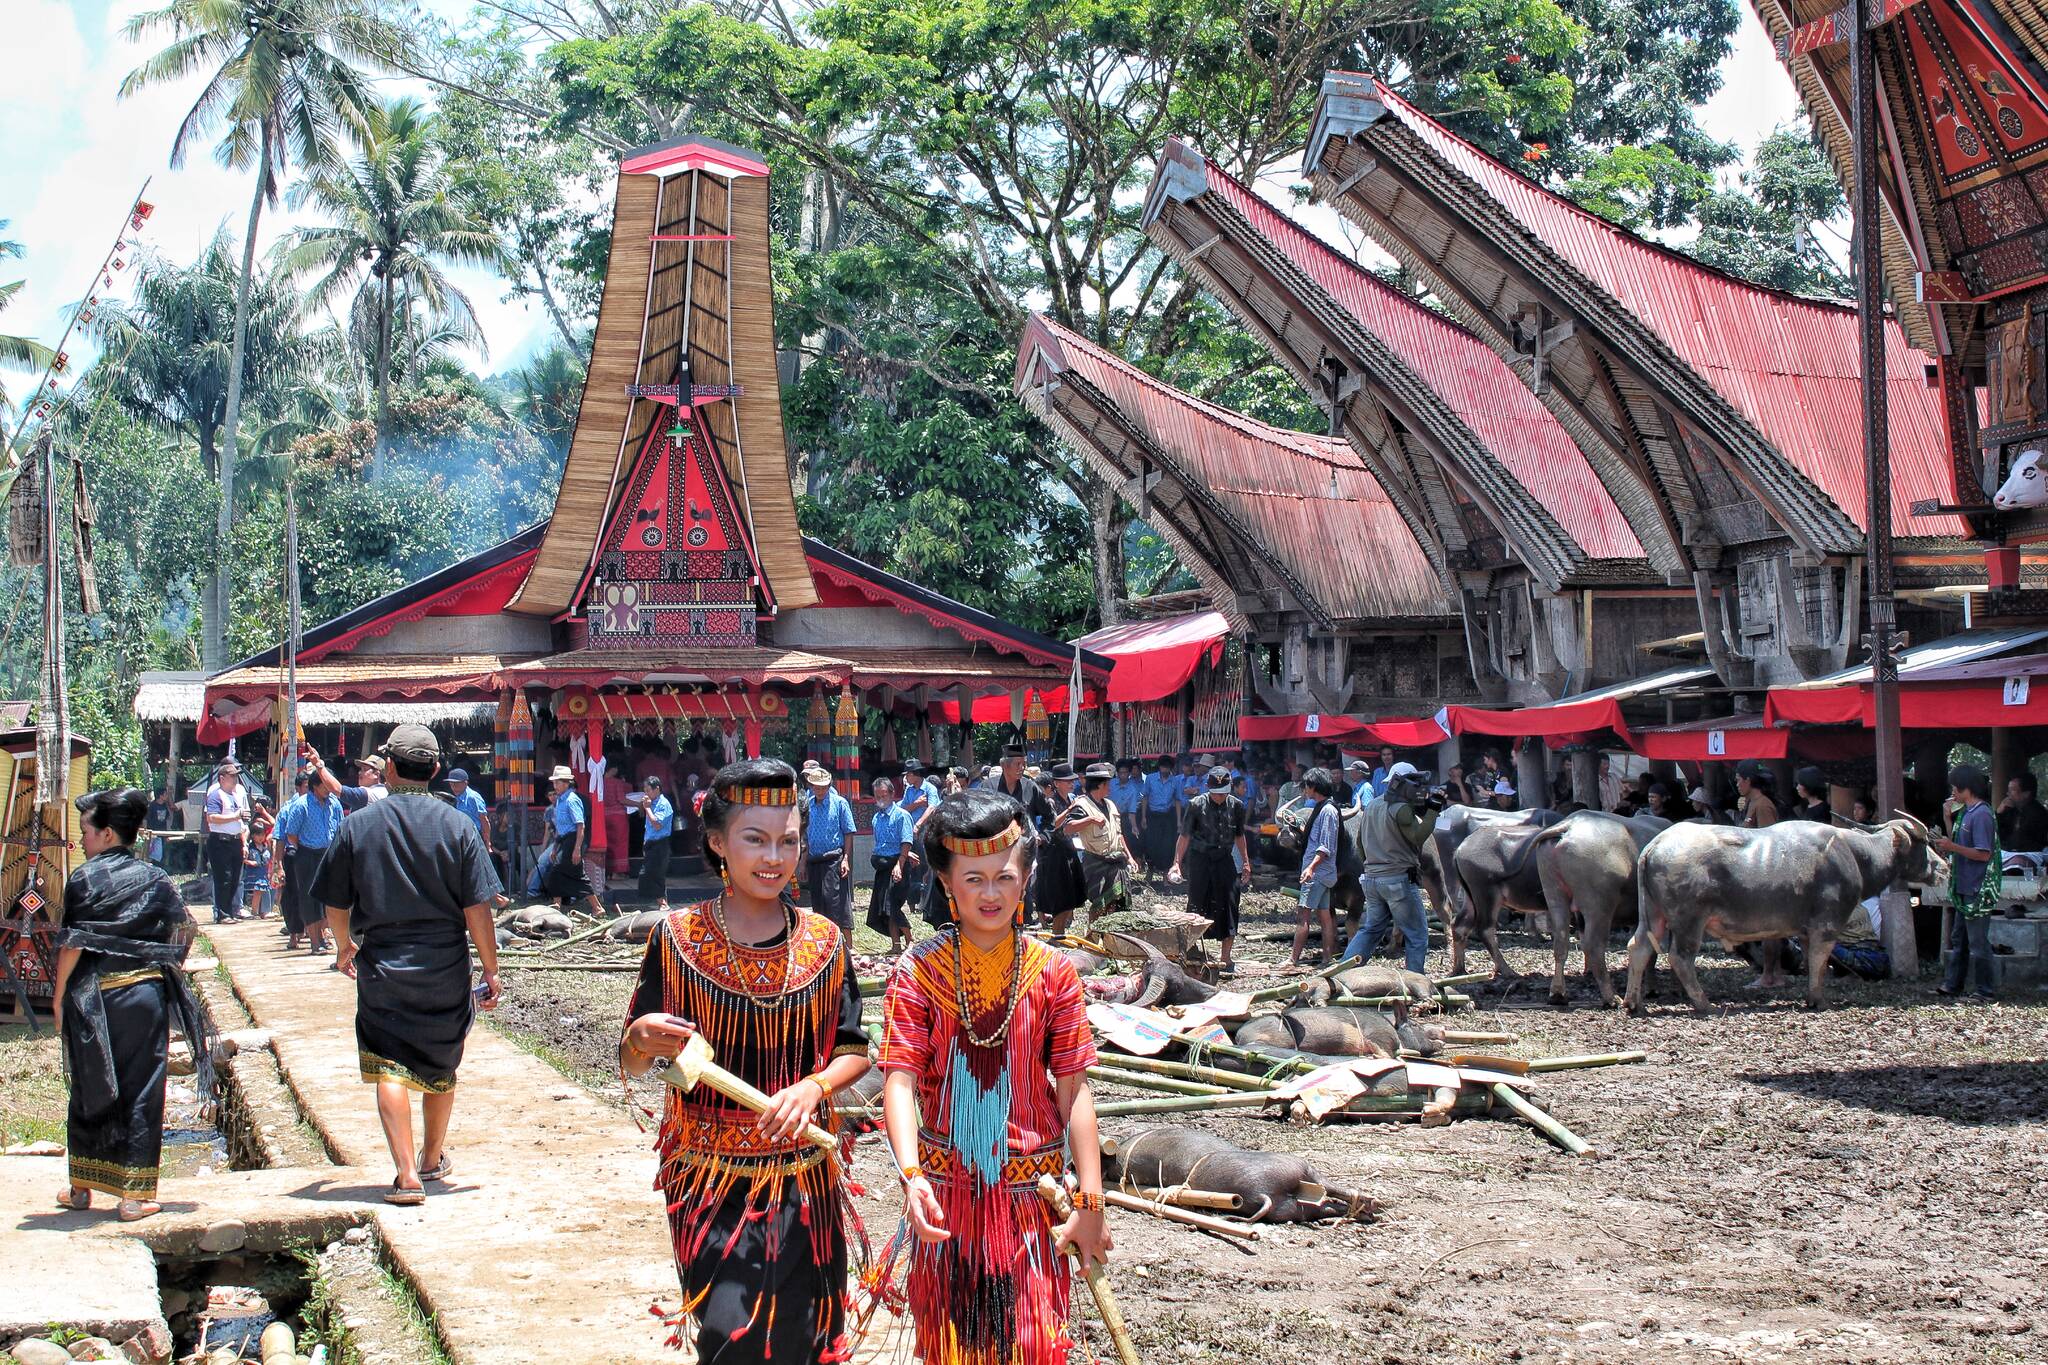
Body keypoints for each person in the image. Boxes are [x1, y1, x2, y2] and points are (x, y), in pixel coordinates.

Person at [620, 759, 870, 1363]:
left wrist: (814, 1087)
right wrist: (640, 1038)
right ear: (716, 844)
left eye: (788, 841)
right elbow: (632, 1059)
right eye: (754, 839)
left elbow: (855, 1049)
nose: (773, 857)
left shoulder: (826, 941)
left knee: (805, 1337)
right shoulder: (675, 940)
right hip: (707, 1180)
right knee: (728, 1335)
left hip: (803, 1175)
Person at [878, 789, 1108, 1365]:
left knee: (1032, 1345)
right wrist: (911, 1177)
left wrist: (1091, 1201)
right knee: (950, 1346)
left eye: (1003, 876)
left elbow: (1074, 1088)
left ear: (1026, 877)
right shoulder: (919, 971)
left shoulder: (1053, 973)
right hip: (945, 1198)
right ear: (946, 881)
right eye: (973, 878)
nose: (990, 893)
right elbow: (899, 1081)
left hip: (1034, 1200)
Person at [311, 724, 504, 1205]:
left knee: (390, 1068)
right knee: (442, 1064)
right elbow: (478, 908)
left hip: (384, 966)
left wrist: (342, 946)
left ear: (389, 768)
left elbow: (334, 902)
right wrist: (491, 968)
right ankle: (432, 1159)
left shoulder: (358, 825)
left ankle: (405, 1176)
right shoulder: (458, 825)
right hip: (445, 967)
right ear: (435, 770)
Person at [52, 788, 213, 1222]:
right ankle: (134, 1198)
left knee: (89, 1083)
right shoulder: (156, 878)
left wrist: (58, 996)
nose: (82, 839)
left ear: (106, 834)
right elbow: (185, 928)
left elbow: (71, 945)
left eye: (86, 832)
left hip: (93, 999)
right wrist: (162, 961)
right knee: (143, 1090)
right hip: (144, 997)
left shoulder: (83, 879)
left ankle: (81, 1188)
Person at [1346, 762, 1437, 972]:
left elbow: (1360, 845)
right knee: (1417, 934)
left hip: (1371, 879)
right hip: (1397, 879)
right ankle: (1416, 980)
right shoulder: (1400, 808)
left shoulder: (1373, 807)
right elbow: (1418, 836)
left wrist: (1372, 867)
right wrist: (1432, 812)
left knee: (1371, 929)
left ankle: (1344, 971)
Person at [1169, 767, 1251, 975]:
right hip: (1200, 859)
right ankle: (1191, 951)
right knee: (1196, 902)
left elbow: (1240, 836)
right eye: (1217, 792)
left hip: (1224, 858)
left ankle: (1226, 957)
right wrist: (1176, 862)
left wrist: (1246, 862)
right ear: (1209, 789)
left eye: (1224, 792)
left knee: (1230, 904)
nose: (1220, 796)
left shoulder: (1237, 806)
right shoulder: (1196, 805)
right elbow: (1185, 835)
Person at [1933, 764, 1999, 1000]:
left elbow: (1983, 853)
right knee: (1959, 938)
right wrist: (1946, 818)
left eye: (1955, 787)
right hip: (1963, 883)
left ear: (1966, 789)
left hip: (1977, 886)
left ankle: (1985, 990)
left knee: (1978, 941)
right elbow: (1955, 842)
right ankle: (1953, 984)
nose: (1953, 792)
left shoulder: (1982, 814)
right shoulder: (1967, 813)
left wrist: (1952, 847)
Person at [1060, 763, 1135, 929]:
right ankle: (1094, 937)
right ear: (1100, 784)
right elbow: (1067, 828)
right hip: (1096, 862)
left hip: (1116, 861)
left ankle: (1113, 937)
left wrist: (1129, 857)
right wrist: (1090, 820)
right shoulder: (1082, 804)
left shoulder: (1111, 804)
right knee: (1099, 902)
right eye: (1108, 783)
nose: (1110, 786)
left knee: (1116, 901)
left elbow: (1119, 834)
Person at [276, 771, 344, 954]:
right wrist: (305, 848)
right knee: (309, 897)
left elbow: (340, 827)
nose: (328, 790)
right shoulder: (301, 805)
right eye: (325, 786)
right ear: (315, 786)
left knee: (327, 898)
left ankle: (323, 935)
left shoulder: (334, 804)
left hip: (328, 853)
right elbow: (291, 833)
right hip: (307, 854)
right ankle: (315, 941)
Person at [799, 763, 857, 939]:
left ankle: (846, 945)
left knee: (836, 902)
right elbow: (805, 838)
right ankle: (824, 941)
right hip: (814, 860)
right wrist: (802, 863)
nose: (820, 790)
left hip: (834, 859)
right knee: (818, 903)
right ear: (812, 786)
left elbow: (848, 832)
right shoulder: (807, 805)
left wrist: (846, 858)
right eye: (817, 787)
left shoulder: (840, 803)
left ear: (829, 786)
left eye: (823, 787)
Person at [540, 765, 607, 918]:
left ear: (566, 783)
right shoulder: (559, 801)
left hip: (573, 839)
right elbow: (559, 827)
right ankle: (559, 905)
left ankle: (563, 905)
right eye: (555, 783)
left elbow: (580, 826)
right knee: (567, 873)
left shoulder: (572, 800)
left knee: (560, 871)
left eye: (557, 783)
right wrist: (555, 847)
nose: (555, 786)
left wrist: (577, 848)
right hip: (564, 840)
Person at [1293, 768, 1340, 968]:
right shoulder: (1321, 807)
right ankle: (1327, 958)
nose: (1304, 790)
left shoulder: (1328, 810)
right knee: (1324, 915)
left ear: (1314, 787)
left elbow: (1325, 846)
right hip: (1322, 872)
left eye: (1306, 786)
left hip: (1317, 873)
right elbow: (1318, 838)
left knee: (1303, 915)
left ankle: (1292, 959)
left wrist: (1311, 868)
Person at [867, 776, 916, 952]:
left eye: (884, 795)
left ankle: (910, 940)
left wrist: (900, 864)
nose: (881, 799)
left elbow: (906, 841)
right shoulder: (877, 818)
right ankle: (895, 945)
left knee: (893, 905)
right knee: (883, 908)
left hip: (898, 867)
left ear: (892, 794)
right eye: (877, 796)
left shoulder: (902, 815)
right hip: (882, 868)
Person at [203, 760, 251, 924]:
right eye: (231, 777)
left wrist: (244, 842)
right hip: (220, 841)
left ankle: (229, 911)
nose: (235, 780)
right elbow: (212, 817)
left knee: (235, 878)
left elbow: (241, 824)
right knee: (223, 878)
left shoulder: (236, 796)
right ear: (222, 778)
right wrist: (235, 816)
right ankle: (222, 913)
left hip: (235, 841)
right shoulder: (216, 795)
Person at [631, 775, 676, 912]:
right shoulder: (651, 802)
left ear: (657, 789)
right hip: (650, 842)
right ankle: (649, 901)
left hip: (660, 843)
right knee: (646, 873)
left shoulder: (663, 804)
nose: (646, 793)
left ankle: (663, 902)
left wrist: (648, 808)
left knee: (656, 873)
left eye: (648, 790)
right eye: (645, 790)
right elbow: (648, 827)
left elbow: (657, 825)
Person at [1139, 755, 1180, 881]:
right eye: (1163, 767)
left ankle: (1165, 875)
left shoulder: (1175, 781)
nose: (1164, 769)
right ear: (1159, 767)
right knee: (1151, 843)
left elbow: (1177, 800)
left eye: (1167, 767)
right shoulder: (1150, 779)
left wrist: (1179, 821)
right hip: (1152, 815)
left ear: (1170, 768)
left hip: (1168, 815)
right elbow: (1145, 797)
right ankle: (1150, 871)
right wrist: (1144, 817)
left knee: (1168, 845)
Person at [1997, 772, 2048, 854]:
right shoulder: (2010, 810)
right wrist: (1999, 813)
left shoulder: (2038, 814)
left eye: (2012, 790)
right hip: (2008, 854)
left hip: (2031, 856)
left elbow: (2020, 842)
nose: (2008, 793)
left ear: (2026, 794)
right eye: (2008, 790)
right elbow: (1996, 835)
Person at [1737, 761, 1779, 828]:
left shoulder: (1762, 806)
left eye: (1738, 780)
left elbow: (1767, 836)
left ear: (1748, 780)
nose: (1737, 784)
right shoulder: (1752, 802)